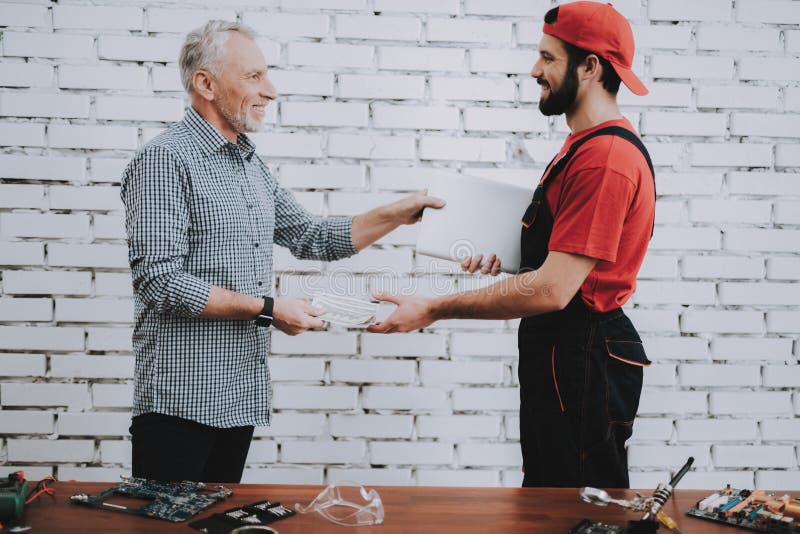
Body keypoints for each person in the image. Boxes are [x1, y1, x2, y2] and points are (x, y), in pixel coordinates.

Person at [121, 20, 444, 483]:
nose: (270, 91)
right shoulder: (164, 159)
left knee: (219, 518)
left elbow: (313, 236)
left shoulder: (250, 165)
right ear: (206, 84)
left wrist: (397, 212)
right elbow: (159, 281)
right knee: (171, 520)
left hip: (238, 400)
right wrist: (269, 309)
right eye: (253, 76)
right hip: (179, 404)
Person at [368, 1, 655, 489]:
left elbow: (554, 291)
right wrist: (515, 256)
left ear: (589, 67)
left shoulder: (604, 158)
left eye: (548, 58)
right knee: (550, 494)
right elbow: (564, 264)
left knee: (576, 505)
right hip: (565, 350)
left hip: (582, 352)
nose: (534, 70)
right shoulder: (583, 146)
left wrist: (433, 308)